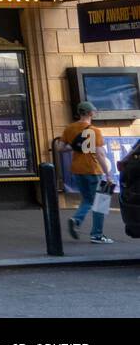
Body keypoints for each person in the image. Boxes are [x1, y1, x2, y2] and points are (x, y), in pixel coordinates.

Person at [60, 101, 113, 244]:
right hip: (93, 169)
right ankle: (96, 234)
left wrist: (76, 147)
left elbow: (60, 148)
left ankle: (76, 220)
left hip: (77, 170)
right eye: (93, 111)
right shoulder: (95, 131)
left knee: (87, 200)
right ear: (90, 113)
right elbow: (100, 153)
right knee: (100, 202)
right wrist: (108, 173)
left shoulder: (69, 128)